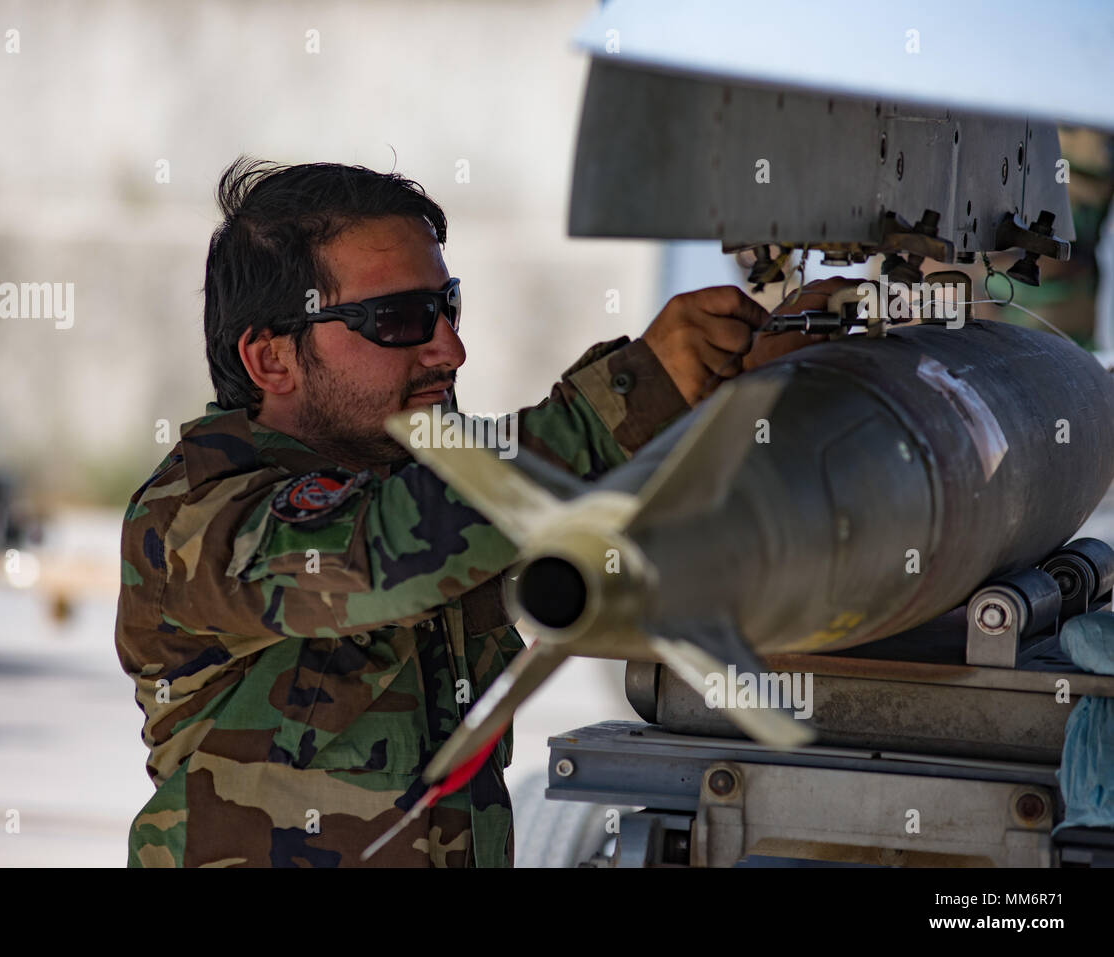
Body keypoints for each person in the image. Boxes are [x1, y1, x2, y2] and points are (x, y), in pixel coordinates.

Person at [114, 157, 831, 867]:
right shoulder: (194, 518)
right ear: (272, 361)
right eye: (398, 319)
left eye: (446, 307)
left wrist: (733, 393)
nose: (449, 348)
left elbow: (584, 513)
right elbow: (385, 550)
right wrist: (635, 388)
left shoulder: (426, 484)